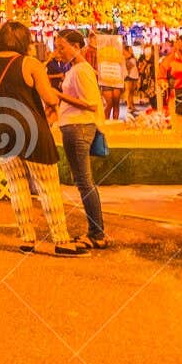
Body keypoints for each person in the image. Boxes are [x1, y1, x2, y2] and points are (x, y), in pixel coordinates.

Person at [0, 22, 83, 256]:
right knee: (47, 186)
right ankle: (61, 240)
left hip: (0, 129)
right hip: (31, 128)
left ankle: (27, 238)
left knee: (16, 185)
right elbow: (49, 98)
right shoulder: (30, 63)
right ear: (24, 41)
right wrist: (54, 103)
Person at [55, 29, 110, 249]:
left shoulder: (81, 71)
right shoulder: (76, 70)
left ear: (76, 47)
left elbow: (91, 103)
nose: (58, 52)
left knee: (84, 182)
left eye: (62, 47)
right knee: (83, 181)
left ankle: (97, 233)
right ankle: (96, 232)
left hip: (79, 127)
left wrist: (57, 94)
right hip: (73, 126)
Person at [93, 35, 125, 121]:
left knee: (116, 103)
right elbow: (97, 67)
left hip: (116, 79)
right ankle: (106, 122)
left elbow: (123, 66)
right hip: (106, 80)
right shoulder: (101, 53)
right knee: (109, 103)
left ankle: (115, 122)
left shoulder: (119, 53)